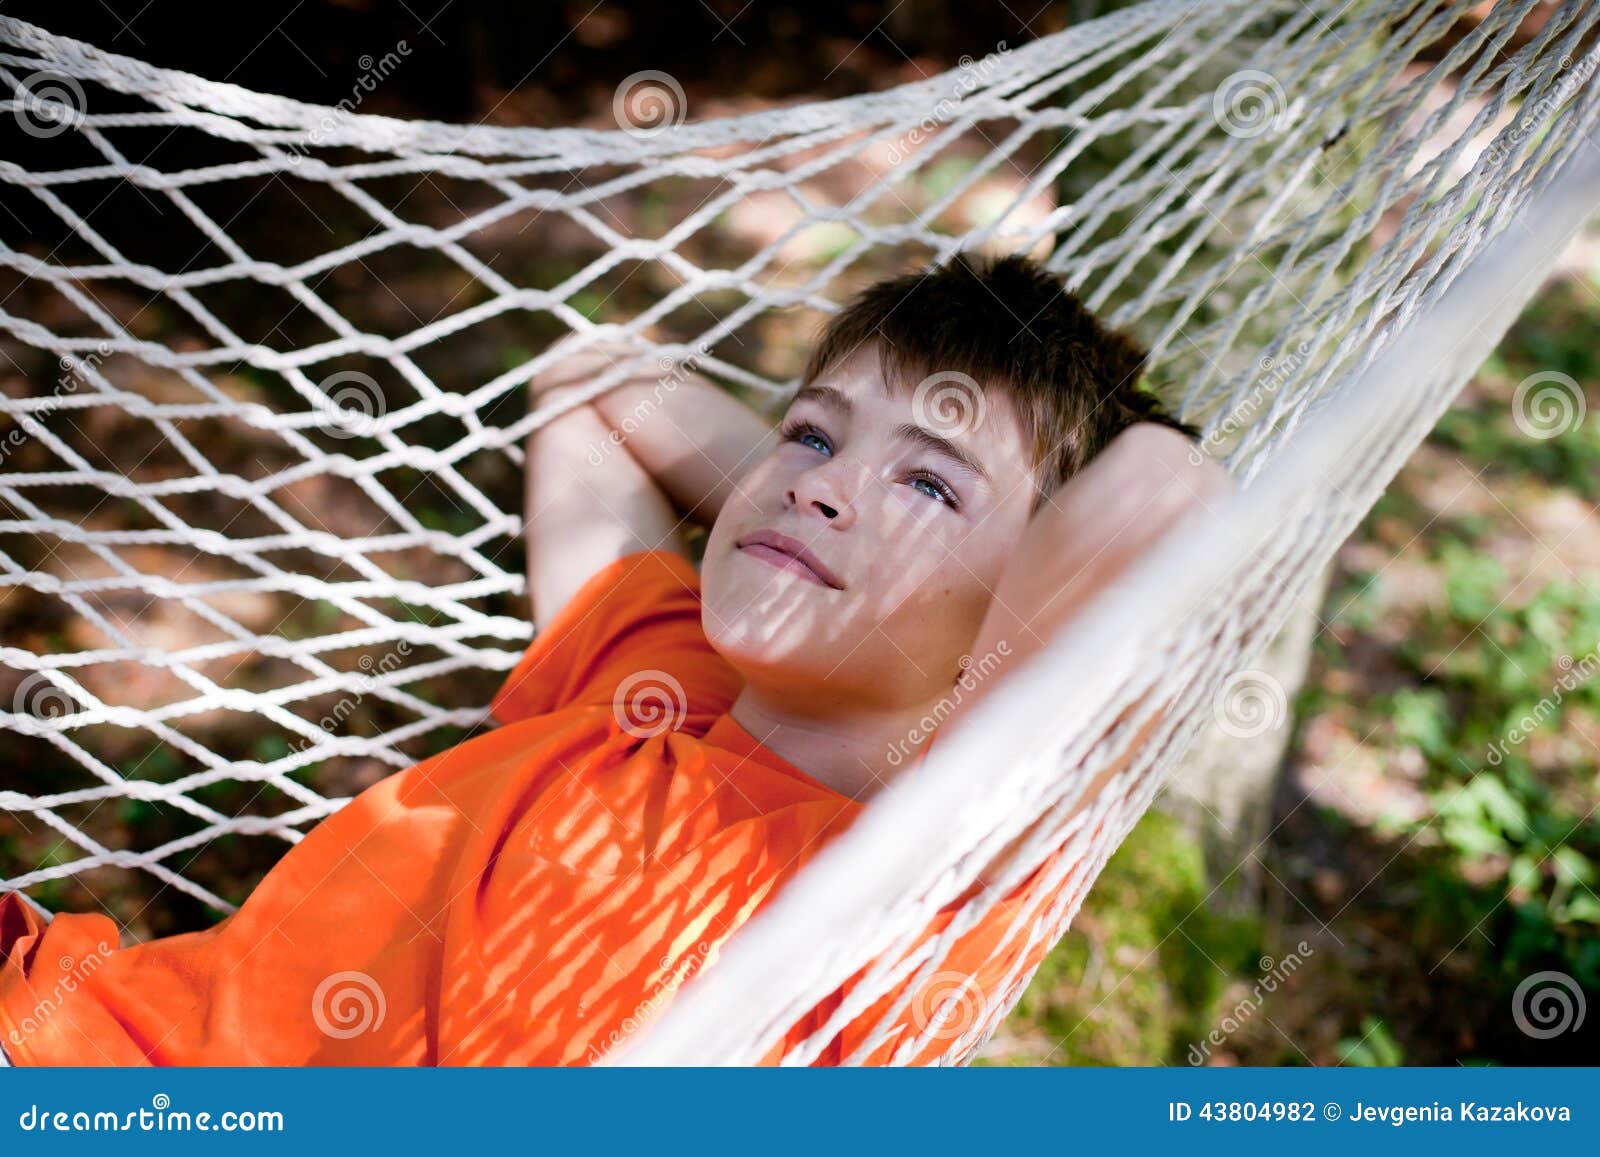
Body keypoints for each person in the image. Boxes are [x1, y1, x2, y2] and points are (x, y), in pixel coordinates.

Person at [0, 254, 1232, 1066]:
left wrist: (915, 588)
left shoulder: (928, 861)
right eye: (809, 432)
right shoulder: (654, 676)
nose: (820, 485)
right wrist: (816, 502)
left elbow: (1169, 491)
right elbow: (593, 383)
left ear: (1023, 616)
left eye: (929, 482)